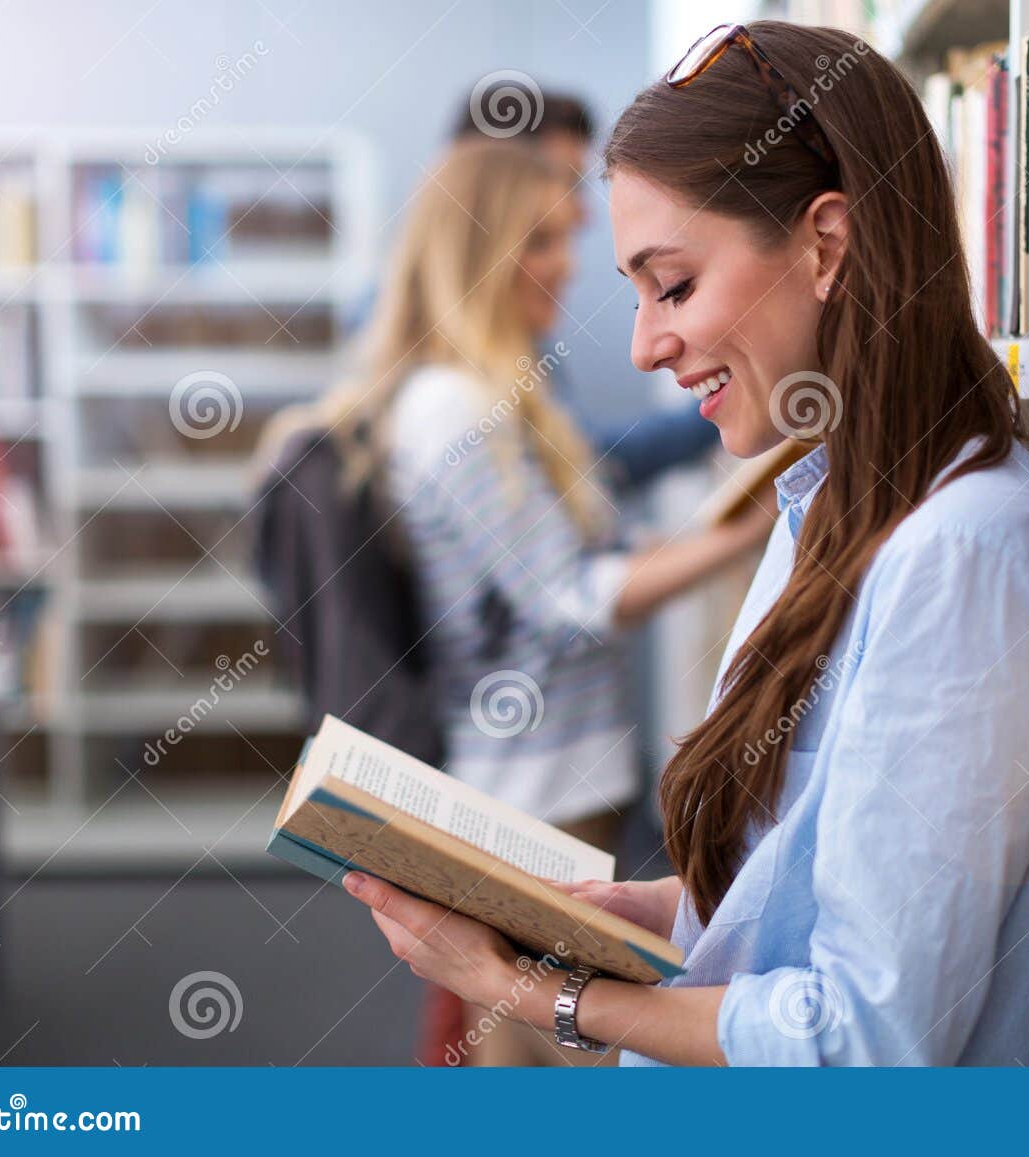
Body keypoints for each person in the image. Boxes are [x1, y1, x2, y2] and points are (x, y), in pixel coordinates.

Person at [342, 20, 1029, 1066]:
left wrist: (534, 989)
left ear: (825, 246)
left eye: (675, 284)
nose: (647, 342)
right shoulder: (829, 506)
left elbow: (867, 1036)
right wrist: (651, 909)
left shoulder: (964, 553)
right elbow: (814, 886)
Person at [314, 135, 775, 1065]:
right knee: (552, 1058)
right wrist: (741, 534)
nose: (565, 265)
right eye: (537, 242)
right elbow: (567, 598)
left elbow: (565, 555)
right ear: (473, 253)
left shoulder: (509, 392)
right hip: (527, 797)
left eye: (564, 239)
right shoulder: (452, 407)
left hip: (559, 783)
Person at [451, 82, 718, 491]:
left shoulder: (512, 332)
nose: (581, 212)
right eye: (567, 182)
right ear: (494, 184)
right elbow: (587, 465)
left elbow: (573, 463)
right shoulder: (431, 367)